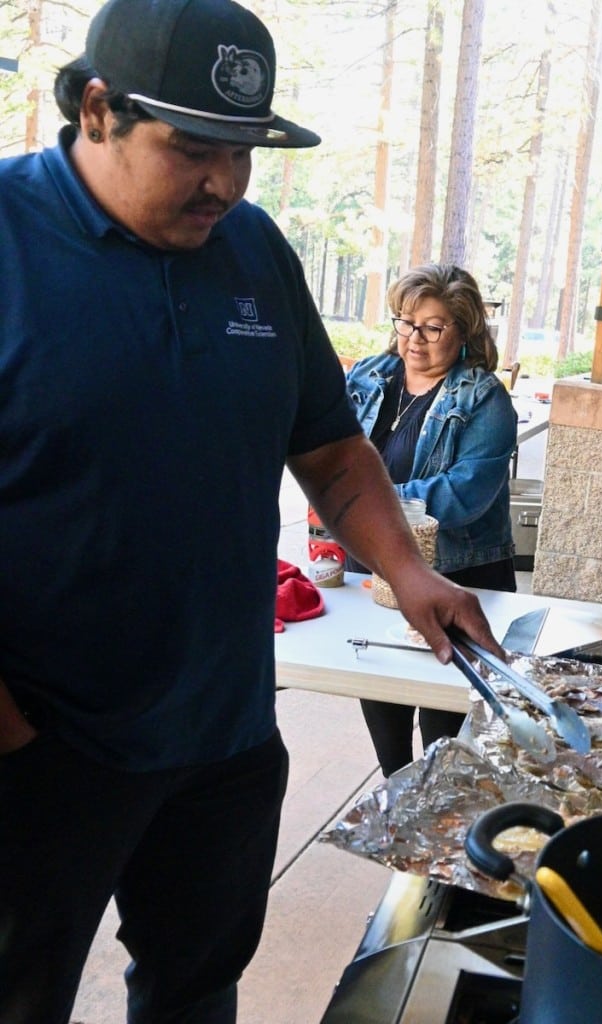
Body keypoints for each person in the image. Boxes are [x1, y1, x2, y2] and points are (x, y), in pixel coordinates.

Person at [0, 1, 504, 1021]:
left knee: (196, 986)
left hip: (223, 730)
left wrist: (408, 571)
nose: (225, 183)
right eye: (193, 147)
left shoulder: (255, 251)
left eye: (245, 151)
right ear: (97, 109)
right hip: (44, 737)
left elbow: (328, 447)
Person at [344, 262, 519, 776]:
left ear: (464, 331)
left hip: (457, 577)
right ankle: (397, 790)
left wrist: (364, 501)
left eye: (433, 326)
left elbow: (464, 495)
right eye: (405, 321)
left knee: (445, 726)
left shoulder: (484, 398)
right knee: (381, 693)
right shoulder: (368, 377)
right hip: (374, 570)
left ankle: (436, 811)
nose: (414, 338)